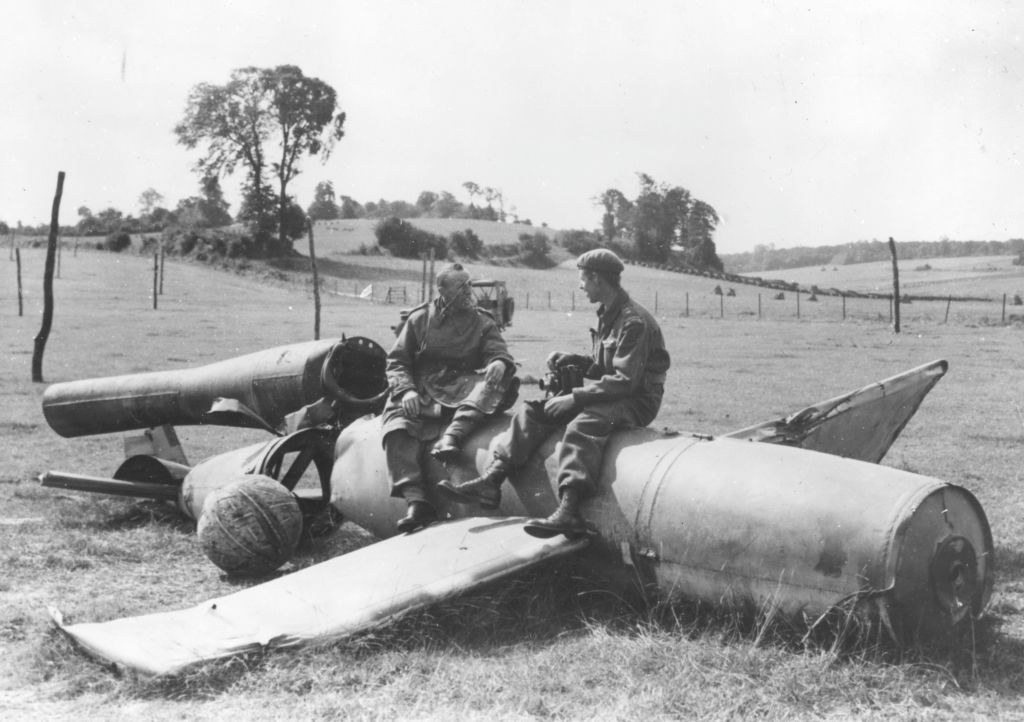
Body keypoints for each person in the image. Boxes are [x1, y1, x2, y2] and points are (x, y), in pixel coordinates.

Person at [438, 249, 670, 538]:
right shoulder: (610, 313)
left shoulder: (633, 321)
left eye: (583, 279)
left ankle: (569, 511)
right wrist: (574, 358)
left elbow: (625, 380)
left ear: (597, 279)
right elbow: (605, 366)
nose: (581, 285)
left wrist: (575, 398)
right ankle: (492, 479)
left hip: (638, 401)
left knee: (583, 424)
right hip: (617, 392)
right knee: (535, 410)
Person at [382, 263, 517, 533]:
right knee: (396, 428)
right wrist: (406, 390)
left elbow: (498, 351)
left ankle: (452, 436)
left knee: (498, 383)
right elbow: (397, 362)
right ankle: (416, 502)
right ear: (441, 290)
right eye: (461, 286)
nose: (469, 291)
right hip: (421, 387)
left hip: (463, 386)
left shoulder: (482, 320)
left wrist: (499, 362)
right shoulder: (420, 319)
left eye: (470, 285)